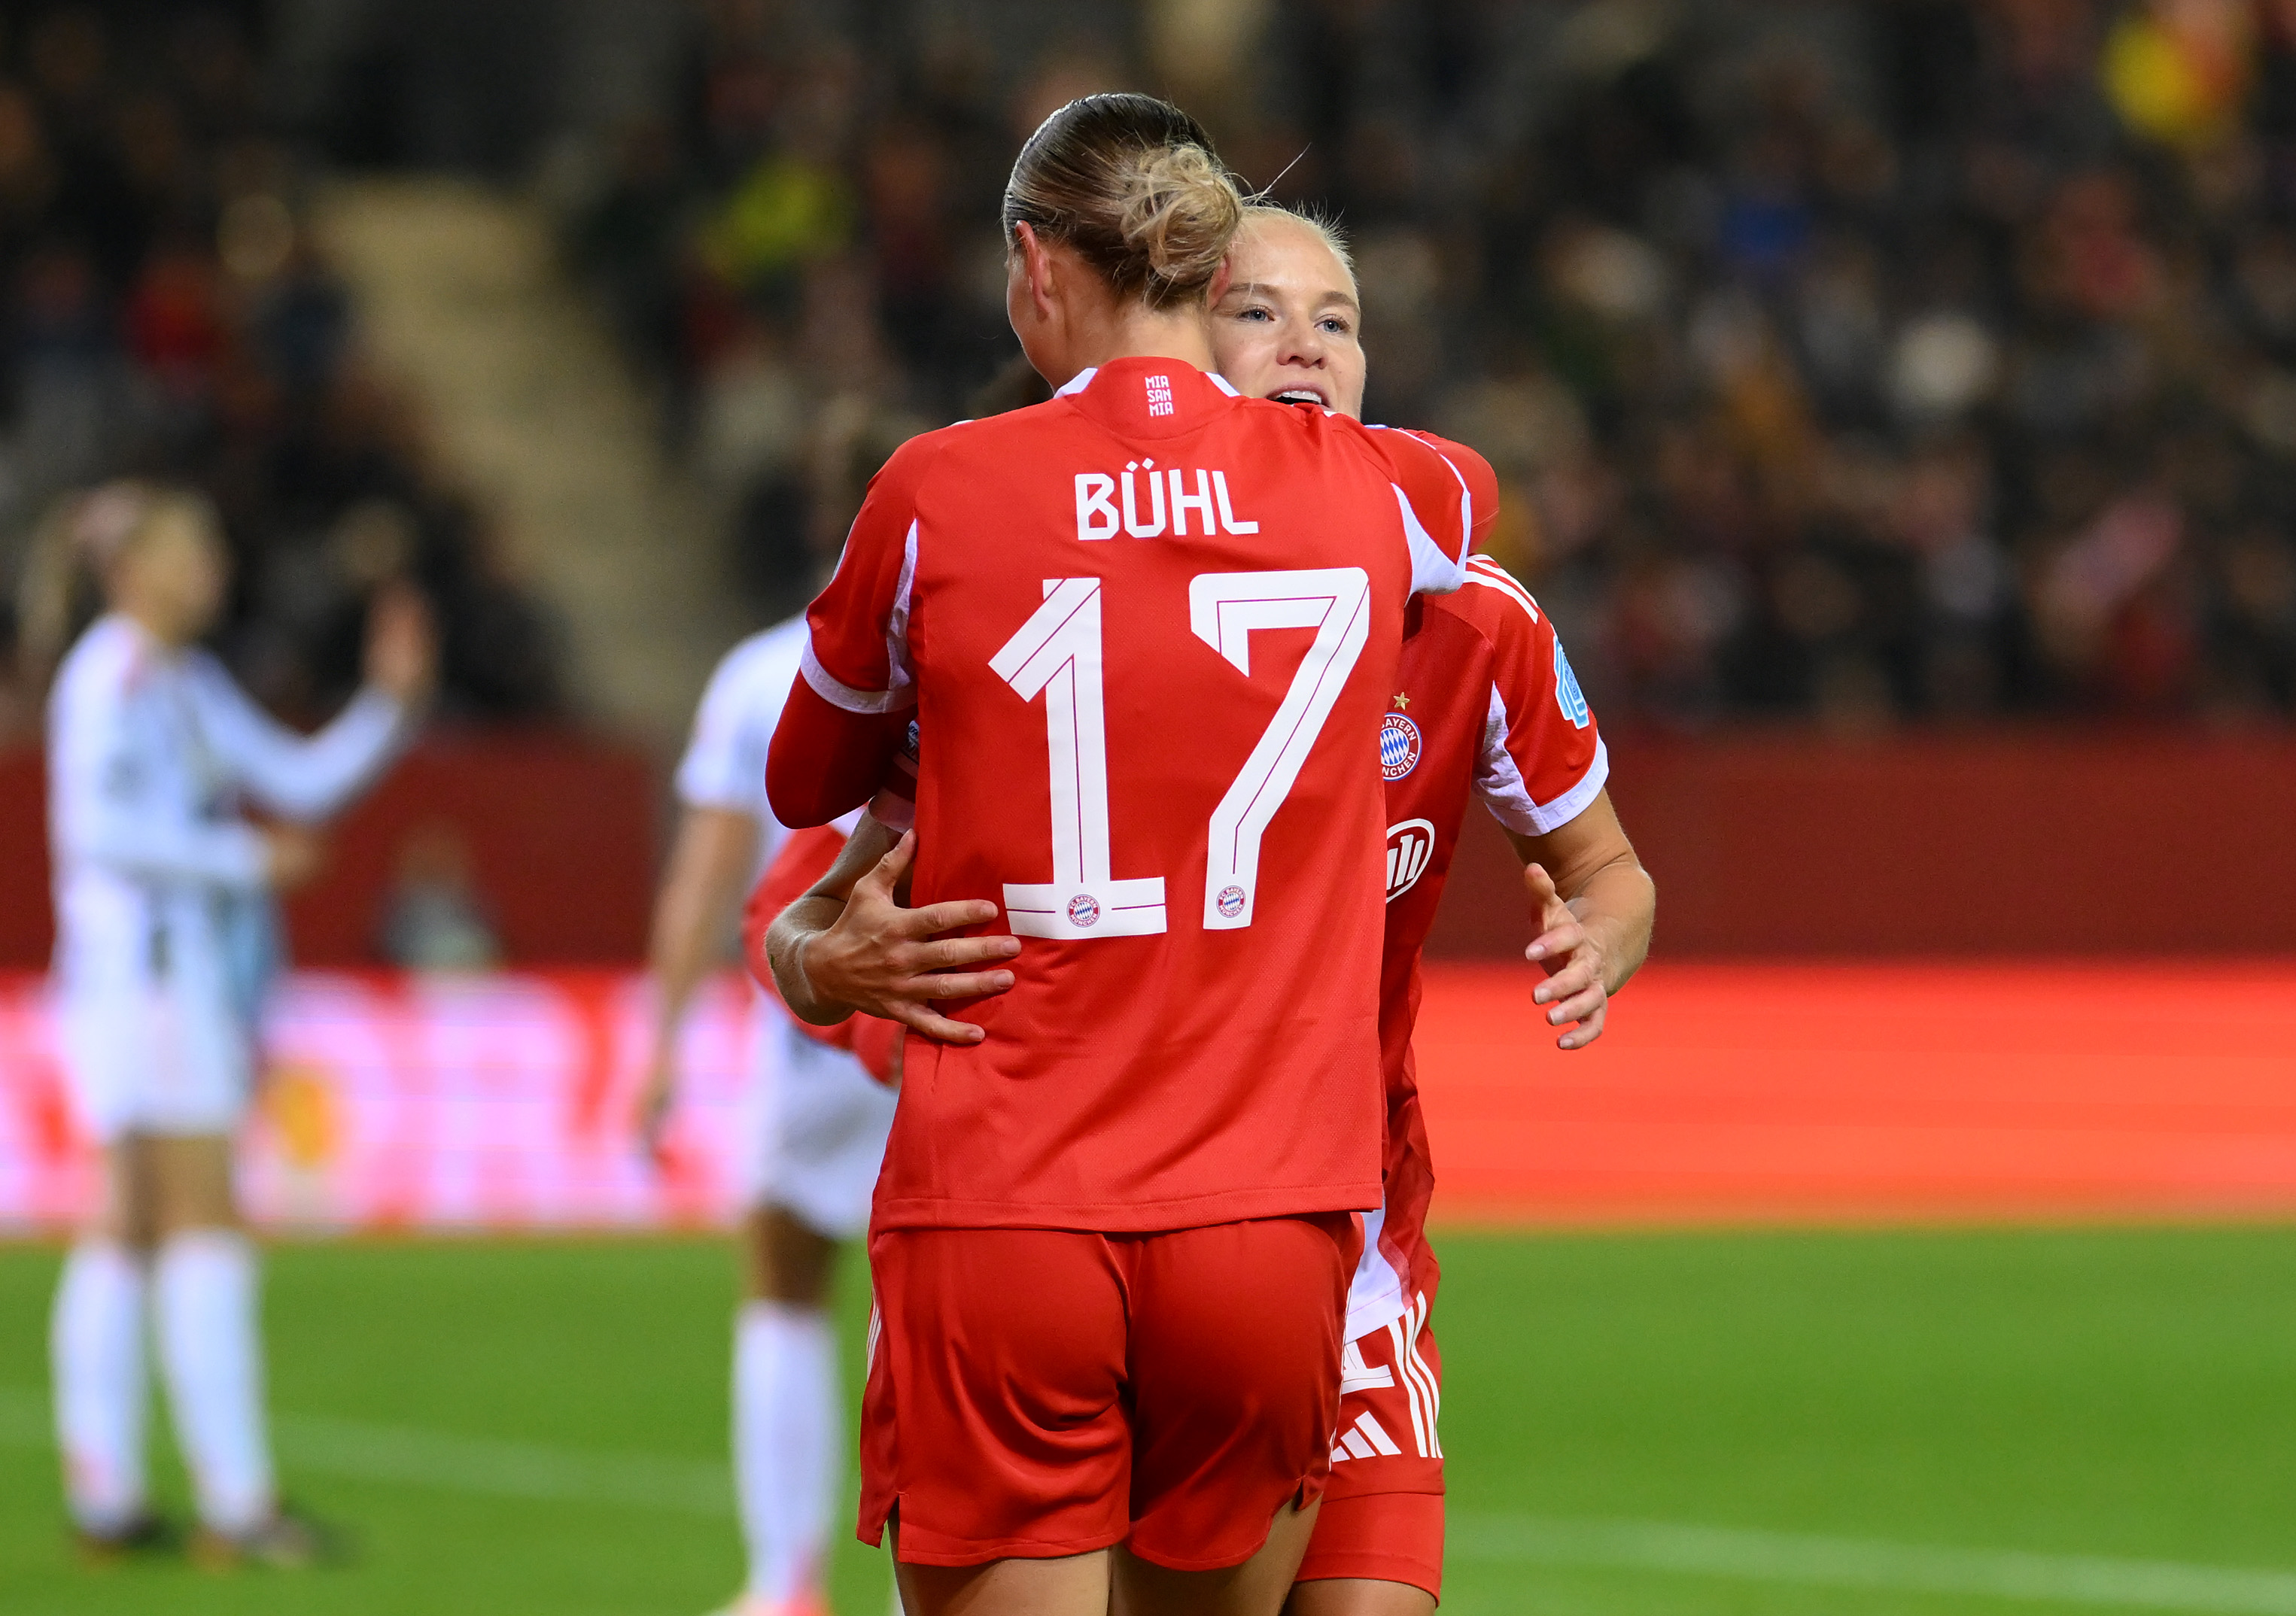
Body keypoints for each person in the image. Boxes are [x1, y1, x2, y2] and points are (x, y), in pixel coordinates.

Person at [760, 205, 1656, 1613]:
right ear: (1175, 327)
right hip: (1068, 1226)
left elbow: (1612, 867)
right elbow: (811, 919)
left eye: (1340, 320)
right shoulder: (1045, 597)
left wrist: (1597, 937)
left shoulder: (1475, 621)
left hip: (1334, 1243)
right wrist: (828, 963)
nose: (1307, 344)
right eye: (1260, 311)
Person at [33, 482, 434, 1566]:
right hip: (149, 981)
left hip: (157, 984)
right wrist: (238, 859)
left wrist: (386, 706)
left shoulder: (183, 680)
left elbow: (301, 783)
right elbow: (94, 829)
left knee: (123, 1226)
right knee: (202, 1225)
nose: (213, 572)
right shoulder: (111, 676)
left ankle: (106, 1493)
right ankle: (237, 1501)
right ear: (132, 572)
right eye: (193, 553)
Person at [637, 609, 899, 1616]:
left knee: (784, 1278)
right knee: (922, 1294)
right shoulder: (989, 620)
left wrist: (659, 1042)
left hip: (814, 1010)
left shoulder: (758, 671)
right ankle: (922, 1583)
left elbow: (706, 874)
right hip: (952, 998)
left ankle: (786, 1581)